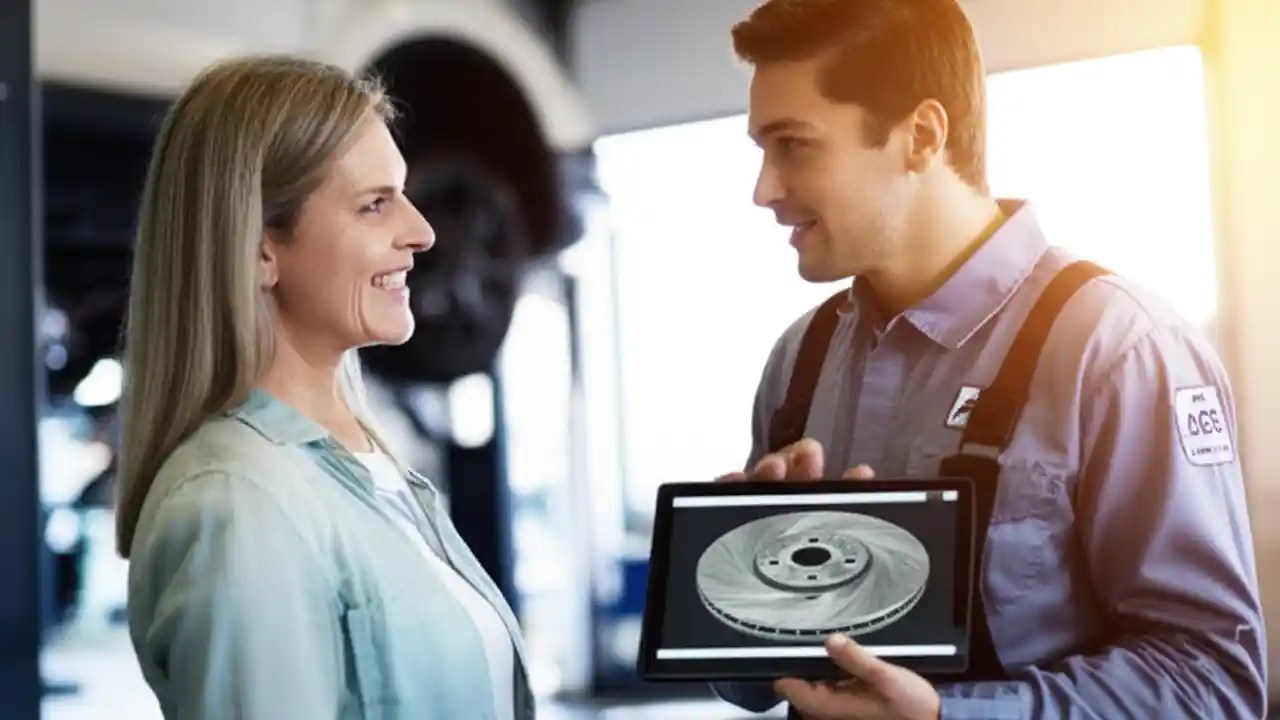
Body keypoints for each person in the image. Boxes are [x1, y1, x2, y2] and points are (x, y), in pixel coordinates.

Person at [711, 1, 1268, 718]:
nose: (763, 190)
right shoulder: (799, 361)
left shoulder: (1118, 350)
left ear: (921, 135)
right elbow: (755, 683)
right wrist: (743, 590)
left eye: (793, 145)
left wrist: (952, 718)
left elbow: (1212, 686)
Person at [116, 55, 532, 719]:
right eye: (375, 205)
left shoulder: (367, 466)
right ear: (258, 248)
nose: (422, 232)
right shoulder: (238, 503)